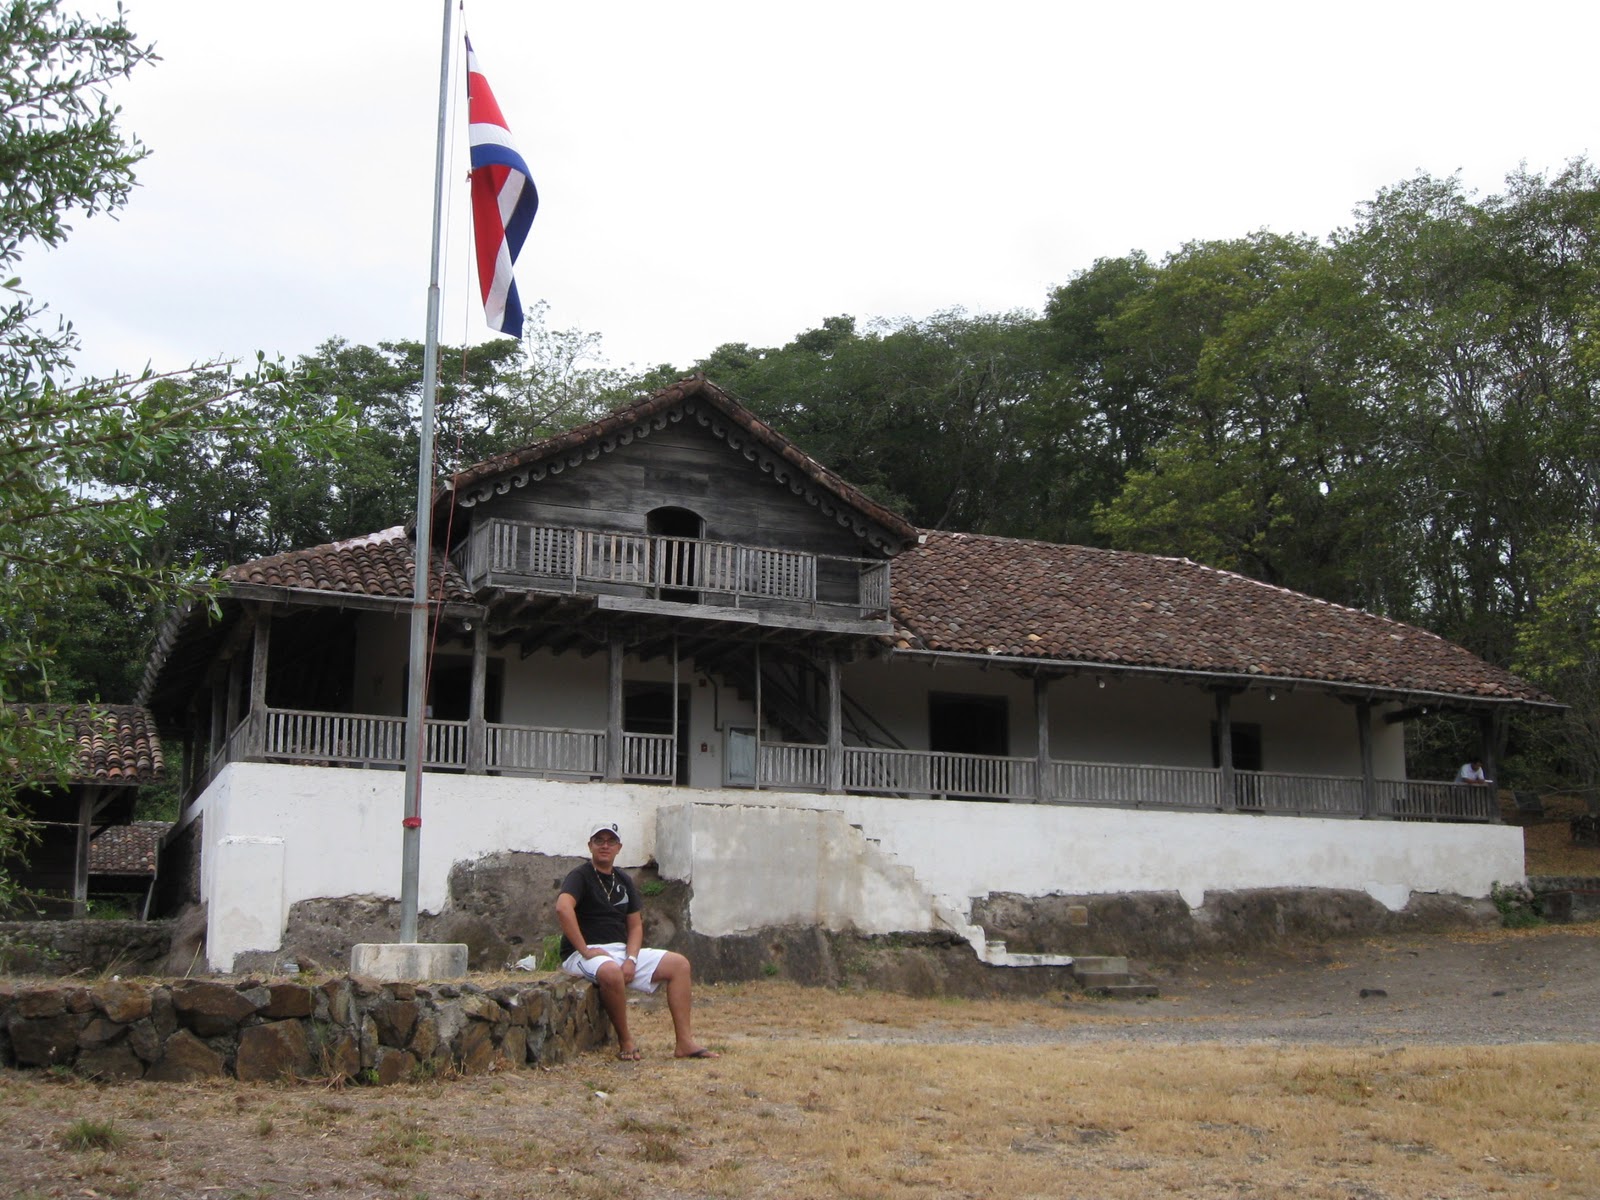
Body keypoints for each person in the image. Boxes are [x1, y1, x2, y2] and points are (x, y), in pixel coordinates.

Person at [555, 821, 718, 1061]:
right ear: (590, 845)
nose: (605, 846)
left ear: (619, 847)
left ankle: (684, 1043)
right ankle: (626, 1040)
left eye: (610, 841)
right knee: (610, 971)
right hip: (583, 954)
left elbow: (634, 925)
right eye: (599, 841)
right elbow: (562, 908)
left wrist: (631, 958)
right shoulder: (579, 876)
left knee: (679, 964)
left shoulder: (623, 879)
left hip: (620, 951)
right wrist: (585, 950)